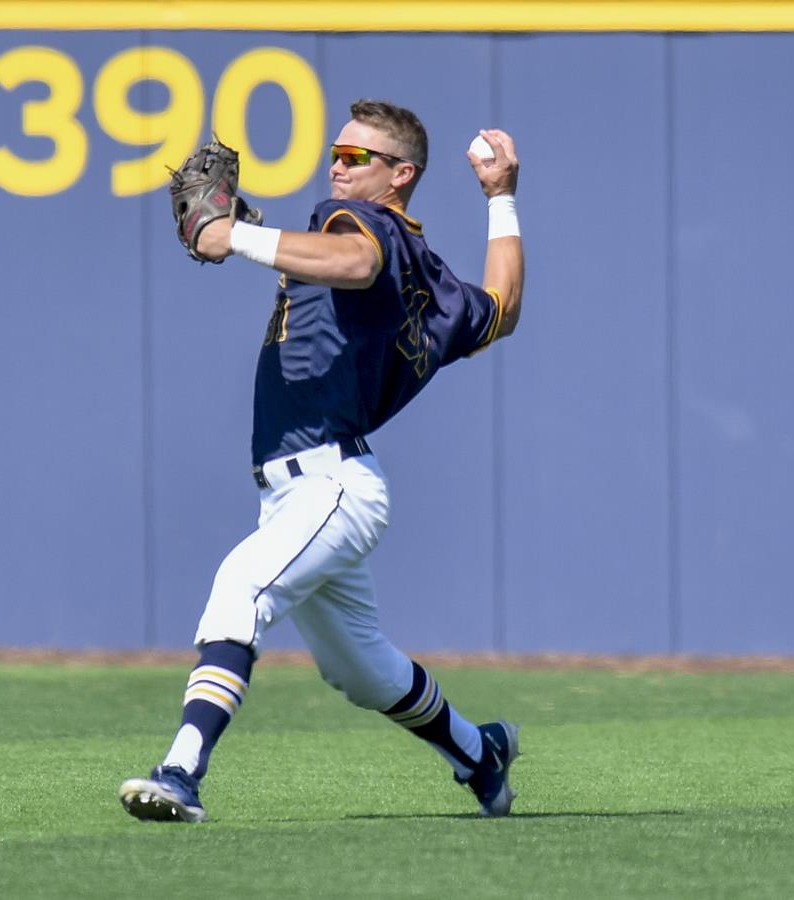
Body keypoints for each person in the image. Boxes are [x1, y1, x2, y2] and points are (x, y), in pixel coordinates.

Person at [119, 99, 525, 822]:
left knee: (241, 587)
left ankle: (180, 771)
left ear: (401, 175)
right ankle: (478, 752)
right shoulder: (433, 281)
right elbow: (502, 305)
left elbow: (356, 261)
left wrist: (233, 233)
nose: (337, 166)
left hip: (331, 483)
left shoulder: (361, 224)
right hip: (307, 488)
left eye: (355, 157)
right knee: (361, 671)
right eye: (335, 153)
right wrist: (501, 199)